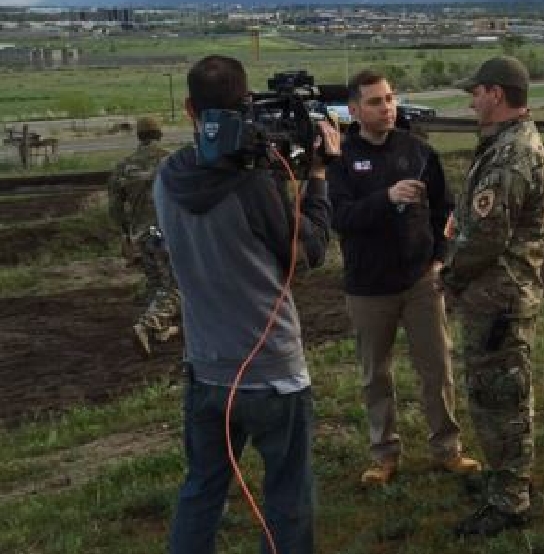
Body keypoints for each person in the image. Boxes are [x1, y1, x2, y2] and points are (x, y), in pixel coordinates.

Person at [154, 55, 338, 554]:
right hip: (272, 372)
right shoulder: (254, 186)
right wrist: (318, 177)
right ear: (248, 106)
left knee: (201, 491)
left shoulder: (166, 177)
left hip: (206, 369)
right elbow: (305, 254)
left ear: (190, 109)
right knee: (287, 496)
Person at [327, 69, 480, 485]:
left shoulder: (418, 151)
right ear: (355, 110)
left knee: (437, 367)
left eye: (390, 98)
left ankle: (447, 449)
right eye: (375, 102)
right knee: (376, 374)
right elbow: (340, 218)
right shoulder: (341, 159)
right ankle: (384, 455)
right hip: (368, 287)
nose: (387, 107)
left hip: (419, 282)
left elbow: (444, 210)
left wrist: (438, 258)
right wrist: (386, 198)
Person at [441, 56, 544, 537]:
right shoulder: (505, 146)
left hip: (499, 299)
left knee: (500, 398)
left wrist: (447, 273)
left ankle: (510, 501)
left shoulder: (510, 154)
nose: (471, 100)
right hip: (500, 296)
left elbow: (488, 237)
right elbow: (484, 223)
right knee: (500, 393)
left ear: (497, 94)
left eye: (476, 92)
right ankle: (507, 482)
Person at [105, 115, 180, 357]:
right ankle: (149, 325)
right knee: (176, 284)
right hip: (168, 231)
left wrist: (126, 235)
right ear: (159, 134)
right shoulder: (172, 161)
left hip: (141, 234)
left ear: (138, 136)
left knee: (156, 282)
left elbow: (115, 208)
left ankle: (162, 330)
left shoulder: (123, 166)